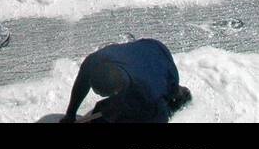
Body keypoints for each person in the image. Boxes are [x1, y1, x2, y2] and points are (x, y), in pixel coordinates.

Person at [60, 39, 192, 124]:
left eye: (105, 94)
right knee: (103, 113)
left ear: (118, 90)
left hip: (162, 64)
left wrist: (119, 110)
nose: (99, 95)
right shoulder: (95, 60)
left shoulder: (149, 93)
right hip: (147, 47)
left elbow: (160, 118)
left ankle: (183, 94)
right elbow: (81, 83)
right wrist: (70, 115)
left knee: (170, 100)